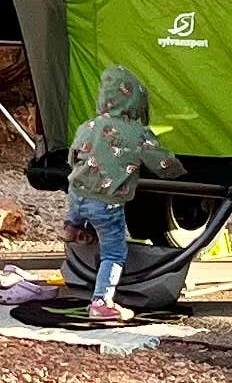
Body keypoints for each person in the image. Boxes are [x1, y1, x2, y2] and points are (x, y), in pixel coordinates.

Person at [62, 65, 188, 324]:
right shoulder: (137, 133)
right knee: (114, 252)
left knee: (79, 208)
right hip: (106, 204)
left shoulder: (89, 125)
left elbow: (73, 155)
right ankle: (102, 301)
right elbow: (162, 163)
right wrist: (181, 173)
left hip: (77, 193)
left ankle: (72, 227)